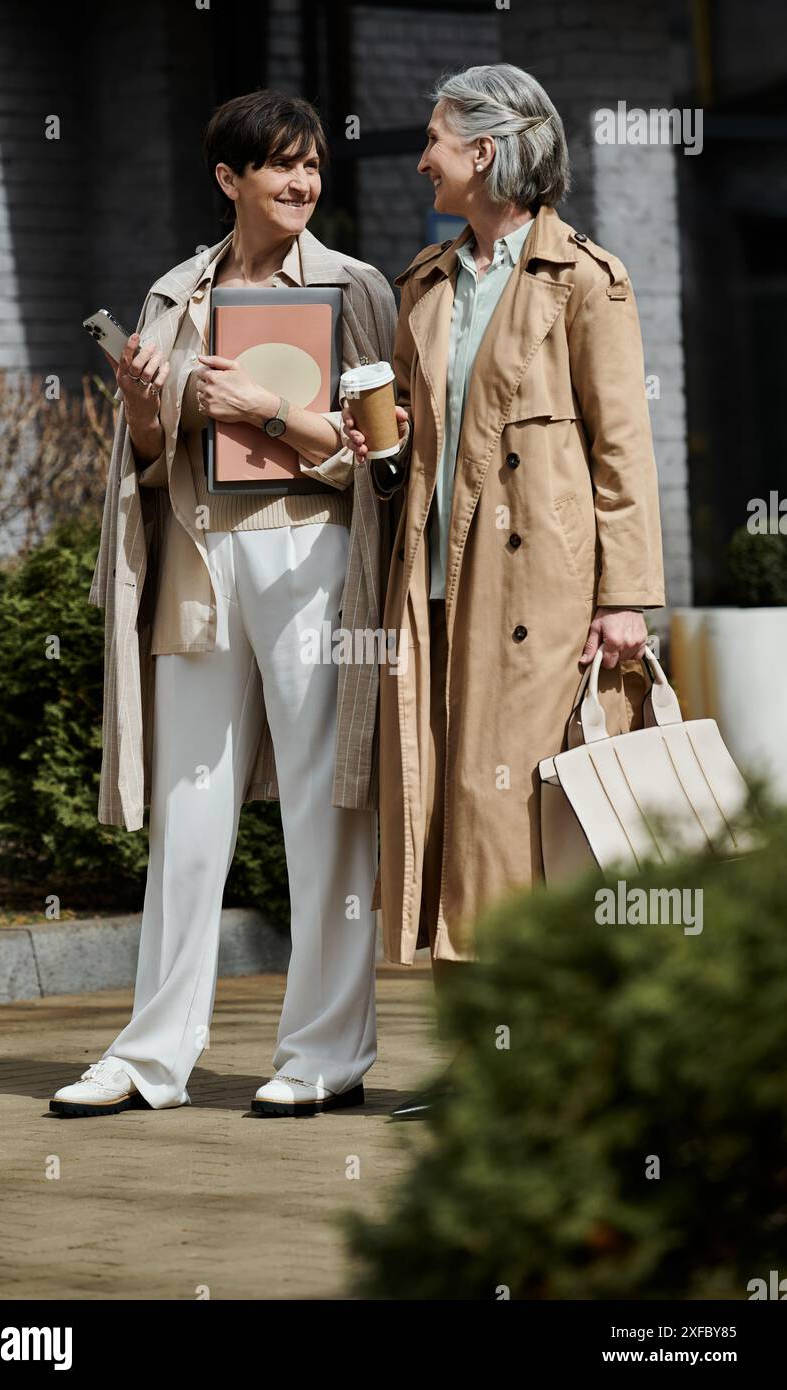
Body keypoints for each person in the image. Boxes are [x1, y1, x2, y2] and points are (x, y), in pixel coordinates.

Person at [51, 90, 400, 1119]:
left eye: (312, 168)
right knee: (187, 815)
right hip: (201, 560)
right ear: (227, 179)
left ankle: (325, 1052)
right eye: (280, 167)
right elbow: (154, 460)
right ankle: (153, 1052)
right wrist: (143, 403)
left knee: (321, 807)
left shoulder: (355, 287)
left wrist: (272, 410)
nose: (301, 184)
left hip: (312, 555)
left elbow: (382, 454)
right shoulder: (174, 290)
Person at [343, 63, 666, 1120]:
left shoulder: (584, 277)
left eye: (435, 139)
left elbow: (622, 446)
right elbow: (410, 449)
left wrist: (626, 598)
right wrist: (375, 451)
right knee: (444, 809)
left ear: (483, 152)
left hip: (542, 591)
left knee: (512, 819)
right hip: (429, 590)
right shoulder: (426, 282)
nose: (421, 156)